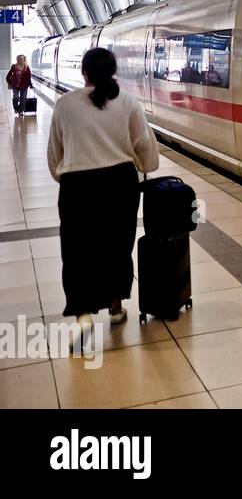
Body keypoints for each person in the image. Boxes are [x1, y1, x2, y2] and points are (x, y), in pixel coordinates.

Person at [47, 48, 159, 345]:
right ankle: (115, 306)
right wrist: (146, 166)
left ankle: (82, 318)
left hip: (77, 188)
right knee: (117, 246)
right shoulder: (128, 102)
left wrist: (69, 174)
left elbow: (55, 155)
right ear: (113, 71)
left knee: (77, 252)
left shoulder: (65, 105)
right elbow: (144, 145)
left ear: (83, 73)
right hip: (118, 185)